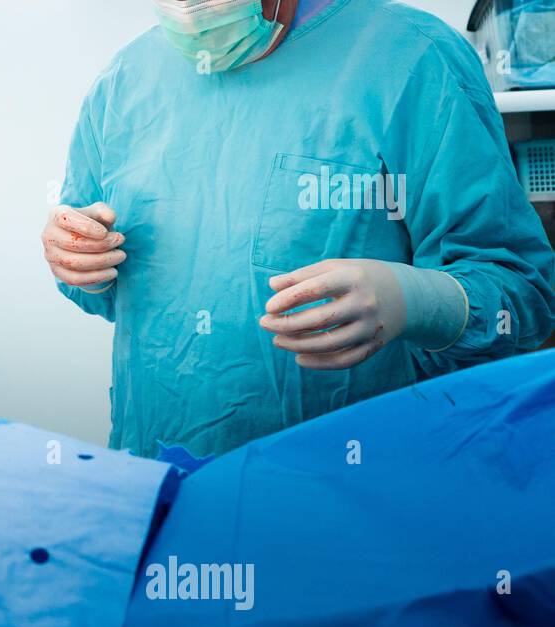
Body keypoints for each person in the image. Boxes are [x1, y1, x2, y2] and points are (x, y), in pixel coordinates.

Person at [43, 0, 555, 458]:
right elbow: (104, 286)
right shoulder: (125, 81)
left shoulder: (412, 60)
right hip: (161, 471)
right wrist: (76, 261)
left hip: (358, 485)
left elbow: (520, 293)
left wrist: (414, 301)